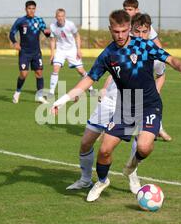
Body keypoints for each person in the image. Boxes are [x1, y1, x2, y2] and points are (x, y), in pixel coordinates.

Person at [52, 10, 181, 202]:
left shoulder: (144, 46)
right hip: (127, 105)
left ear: (129, 28)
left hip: (150, 104)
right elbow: (89, 79)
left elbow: (170, 59)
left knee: (144, 147)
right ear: (110, 29)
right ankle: (102, 181)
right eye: (116, 31)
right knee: (104, 151)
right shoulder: (108, 54)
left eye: (124, 31)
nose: (120, 36)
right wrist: (63, 100)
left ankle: (132, 166)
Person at [66, 13, 168, 192]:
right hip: (110, 100)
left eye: (145, 32)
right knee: (87, 142)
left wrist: (153, 96)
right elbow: (107, 73)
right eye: (138, 31)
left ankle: (132, 175)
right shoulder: (113, 50)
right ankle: (86, 179)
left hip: (135, 102)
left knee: (141, 142)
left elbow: (160, 74)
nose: (140, 35)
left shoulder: (147, 50)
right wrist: (102, 89)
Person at [123, 0, 172, 141]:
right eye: (125, 9)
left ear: (136, 10)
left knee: (151, 98)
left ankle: (158, 128)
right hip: (129, 66)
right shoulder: (123, 27)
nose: (127, 12)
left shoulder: (144, 25)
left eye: (130, 9)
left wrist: (160, 58)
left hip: (146, 63)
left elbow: (158, 46)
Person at [9, 0, 51, 104]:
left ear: (35, 9)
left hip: (36, 52)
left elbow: (45, 33)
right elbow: (11, 33)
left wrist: (47, 33)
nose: (31, 11)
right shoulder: (21, 21)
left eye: (33, 9)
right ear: (25, 9)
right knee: (23, 74)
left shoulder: (39, 20)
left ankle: (40, 96)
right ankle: (17, 92)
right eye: (29, 8)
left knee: (39, 73)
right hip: (24, 52)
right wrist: (15, 42)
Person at [49, 8, 93, 96]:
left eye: (62, 16)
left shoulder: (70, 24)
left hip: (72, 50)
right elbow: (52, 40)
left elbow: (77, 36)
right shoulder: (52, 26)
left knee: (81, 71)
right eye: (58, 16)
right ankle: (51, 92)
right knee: (55, 69)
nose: (60, 18)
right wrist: (52, 53)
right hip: (60, 50)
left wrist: (78, 50)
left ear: (64, 16)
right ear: (56, 17)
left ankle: (91, 89)